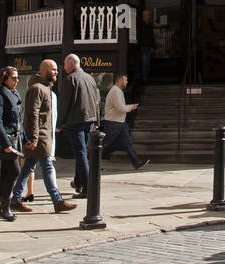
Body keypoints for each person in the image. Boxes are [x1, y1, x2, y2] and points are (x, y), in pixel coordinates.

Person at [13, 59, 77, 214]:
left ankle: (15, 199)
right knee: (47, 167)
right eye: (53, 69)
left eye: (56, 69)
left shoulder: (46, 88)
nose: (56, 72)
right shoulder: (37, 89)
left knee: (28, 168)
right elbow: (33, 115)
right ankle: (57, 201)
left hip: (44, 136)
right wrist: (33, 138)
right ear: (43, 70)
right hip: (40, 137)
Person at [57, 53, 100, 198]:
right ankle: (78, 181)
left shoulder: (69, 79)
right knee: (82, 152)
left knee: (80, 153)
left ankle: (88, 188)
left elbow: (64, 104)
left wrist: (59, 124)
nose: (63, 67)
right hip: (90, 119)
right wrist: (97, 121)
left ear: (70, 64)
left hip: (76, 120)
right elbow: (97, 102)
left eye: (64, 64)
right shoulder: (90, 78)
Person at [0, 67, 24, 221]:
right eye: (13, 78)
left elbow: (18, 120)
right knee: (14, 171)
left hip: (14, 138)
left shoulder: (14, 94)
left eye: (17, 78)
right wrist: (5, 143)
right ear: (4, 79)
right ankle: (5, 208)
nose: (16, 81)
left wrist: (26, 139)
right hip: (6, 140)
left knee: (5, 173)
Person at [102, 75, 149, 170]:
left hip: (120, 123)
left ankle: (136, 162)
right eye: (125, 80)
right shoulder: (115, 91)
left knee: (127, 144)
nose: (127, 82)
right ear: (119, 80)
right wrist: (131, 107)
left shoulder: (117, 91)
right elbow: (120, 108)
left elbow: (120, 107)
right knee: (103, 145)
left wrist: (129, 107)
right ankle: (91, 163)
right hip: (113, 123)